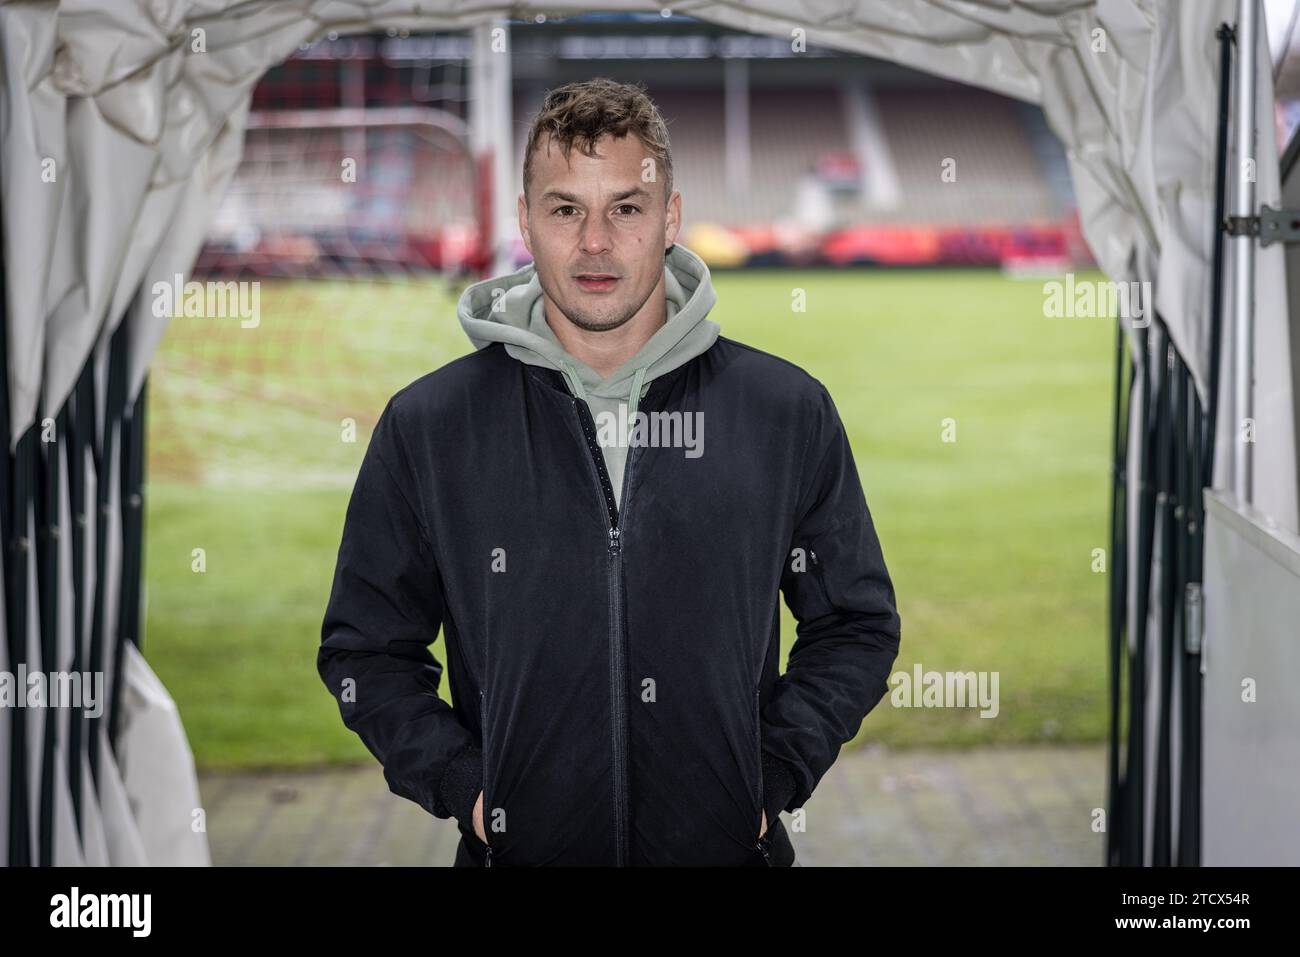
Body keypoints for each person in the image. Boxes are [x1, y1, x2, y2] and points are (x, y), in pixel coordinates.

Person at [317, 77, 901, 867]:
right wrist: (468, 785)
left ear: (669, 216)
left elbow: (855, 623)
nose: (595, 242)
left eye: (625, 207)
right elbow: (364, 649)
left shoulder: (784, 410)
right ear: (525, 221)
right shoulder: (431, 425)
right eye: (565, 209)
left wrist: (770, 775)